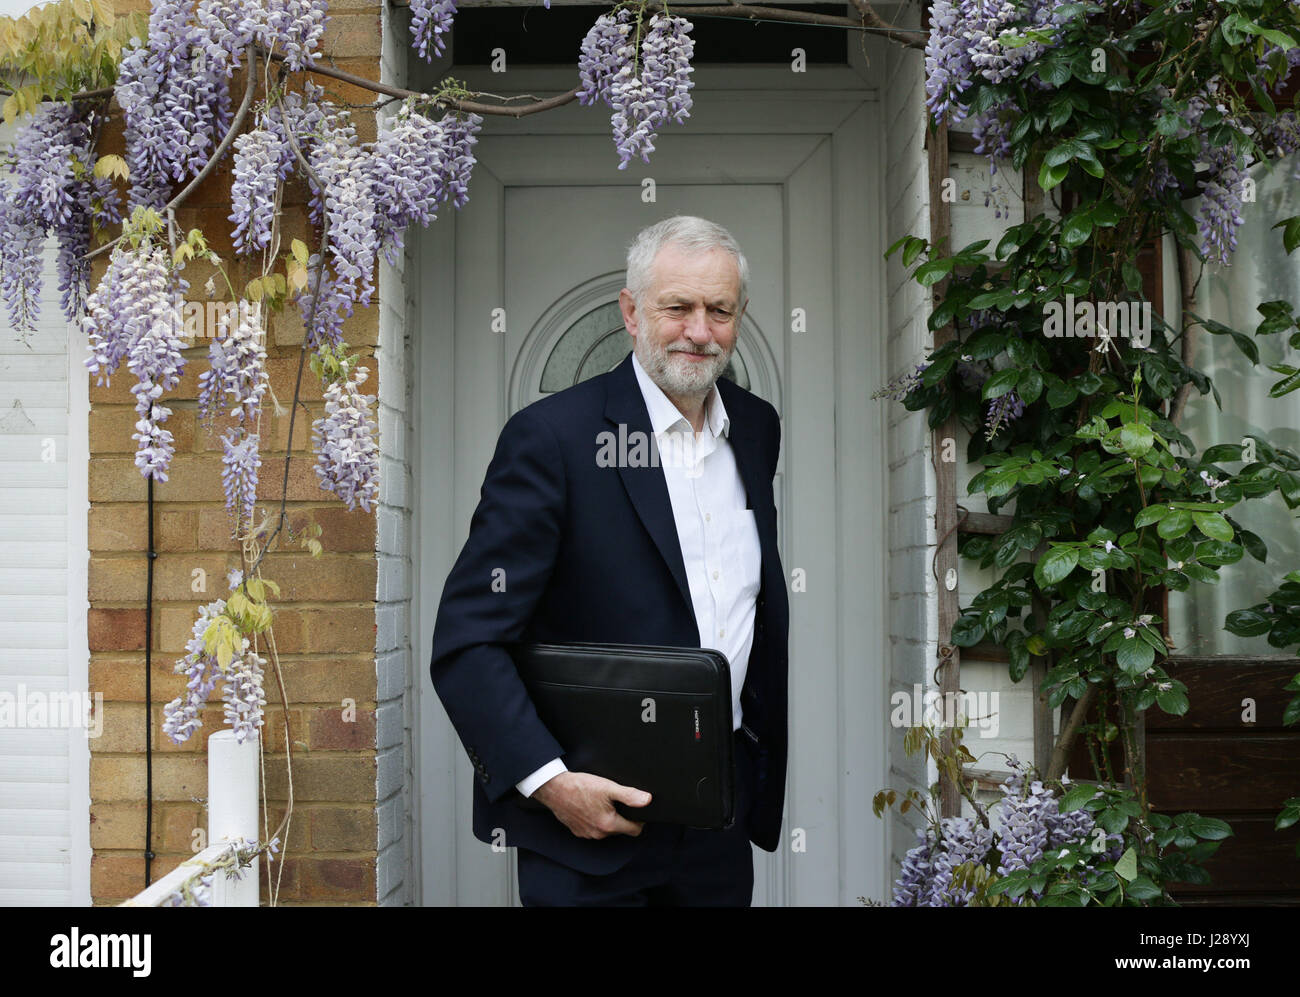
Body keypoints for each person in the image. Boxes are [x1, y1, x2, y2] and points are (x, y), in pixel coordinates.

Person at [428, 214, 789, 906]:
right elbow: (468, 640)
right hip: (590, 831)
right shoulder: (552, 439)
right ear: (631, 312)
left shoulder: (756, 428)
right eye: (677, 307)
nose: (700, 330)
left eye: (720, 310)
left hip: (717, 823)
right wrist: (550, 782)